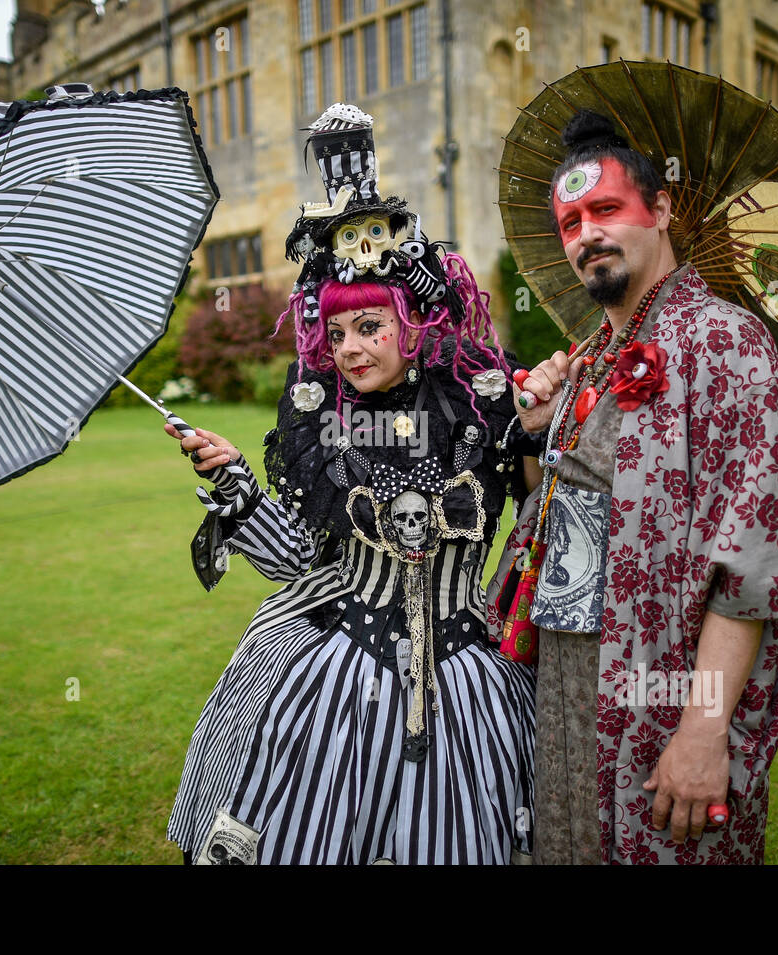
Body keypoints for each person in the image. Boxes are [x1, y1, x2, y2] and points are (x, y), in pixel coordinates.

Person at [163, 104, 541, 864]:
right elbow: (304, 557)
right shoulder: (324, 422)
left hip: (470, 675)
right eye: (335, 333)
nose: (350, 349)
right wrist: (236, 480)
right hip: (345, 670)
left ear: (413, 321)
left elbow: (541, 511)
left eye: (370, 326)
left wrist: (543, 423)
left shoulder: (484, 403)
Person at [512, 110, 778, 864]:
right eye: (569, 221)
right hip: (567, 666)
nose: (586, 234)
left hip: (660, 683)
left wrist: (703, 729)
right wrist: (539, 426)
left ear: (658, 211)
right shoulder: (592, 355)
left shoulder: (723, 341)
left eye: (605, 209)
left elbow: (753, 558)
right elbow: (547, 500)